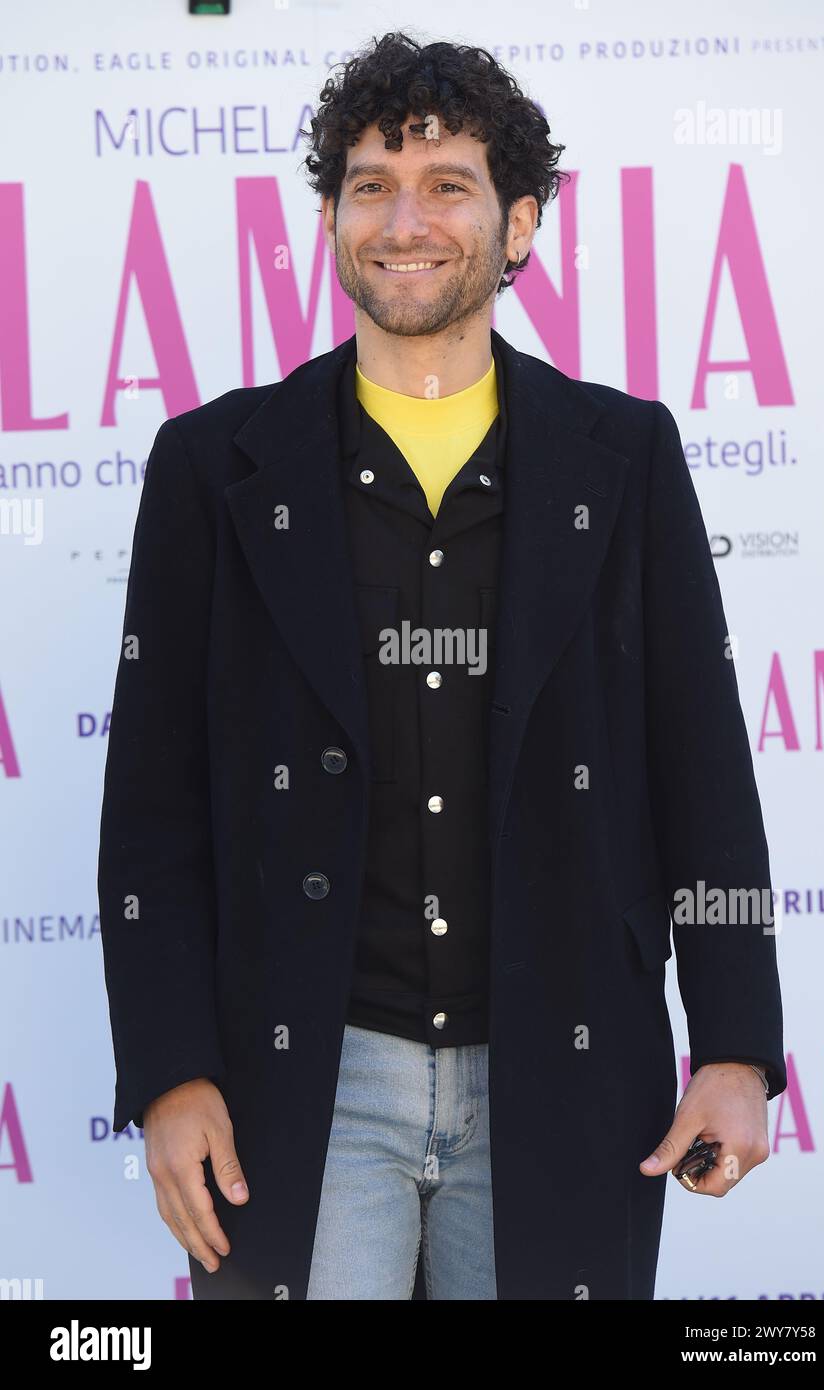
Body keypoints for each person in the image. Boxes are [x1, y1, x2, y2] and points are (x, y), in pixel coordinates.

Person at [97, 31, 786, 1301]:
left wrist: (737, 1044)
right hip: (299, 1074)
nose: (402, 219)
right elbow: (150, 813)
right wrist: (169, 1075)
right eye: (369, 184)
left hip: (564, 1059)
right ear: (330, 218)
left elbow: (701, 766)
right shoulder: (212, 469)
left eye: (446, 185)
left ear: (519, 223)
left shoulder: (623, 460)